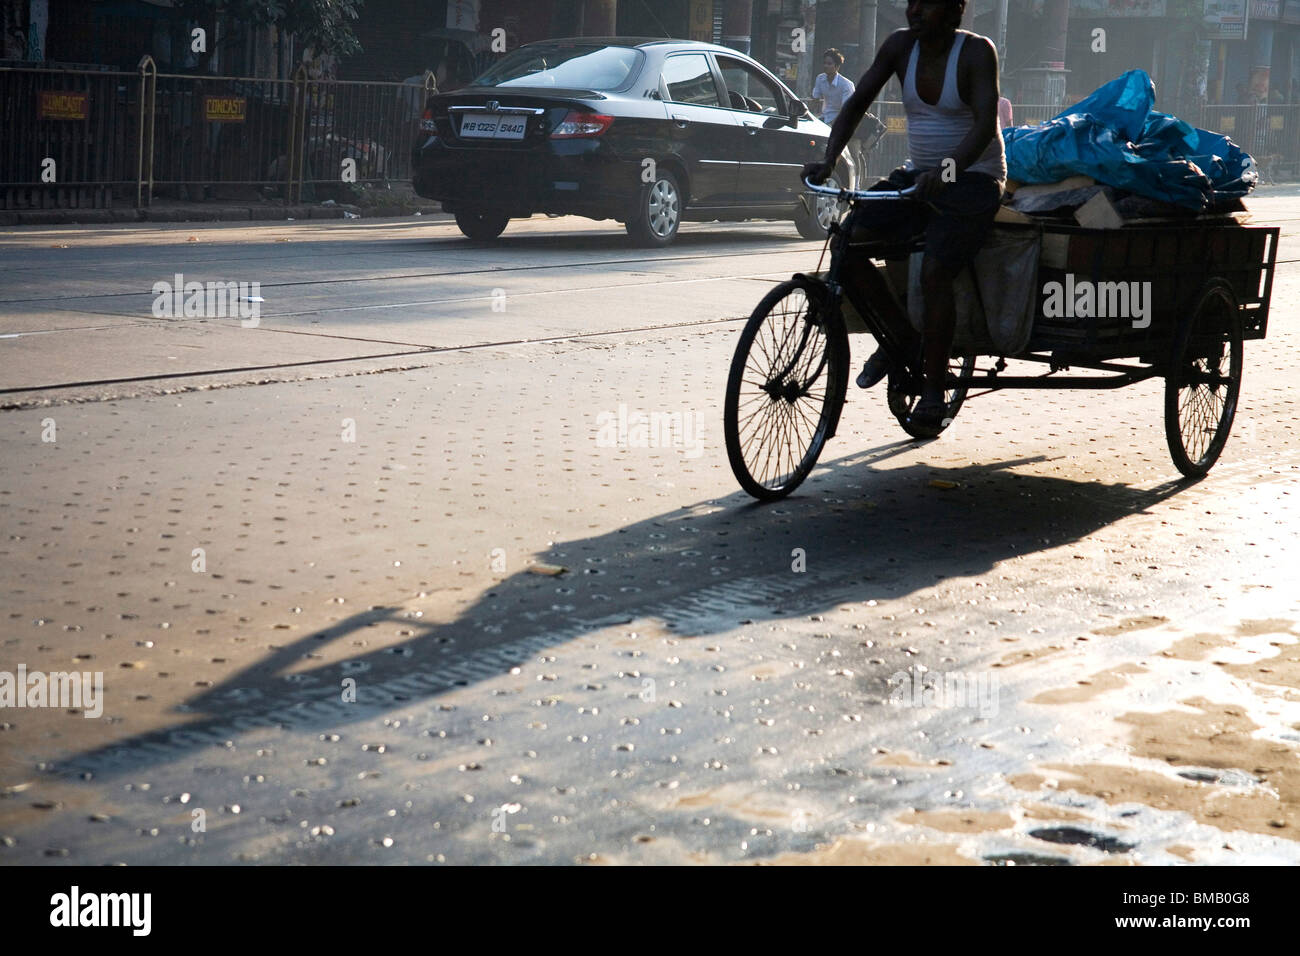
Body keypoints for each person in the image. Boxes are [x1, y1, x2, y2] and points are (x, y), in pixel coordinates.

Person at [803, 0, 1006, 429]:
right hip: (918, 178)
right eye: (911, 2)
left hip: (973, 179)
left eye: (927, 4)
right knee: (847, 242)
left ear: (955, 12)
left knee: (935, 271)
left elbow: (985, 125)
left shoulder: (975, 52)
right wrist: (829, 158)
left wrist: (947, 171)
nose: (915, 11)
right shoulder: (899, 47)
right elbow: (857, 103)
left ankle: (934, 389)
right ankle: (904, 339)